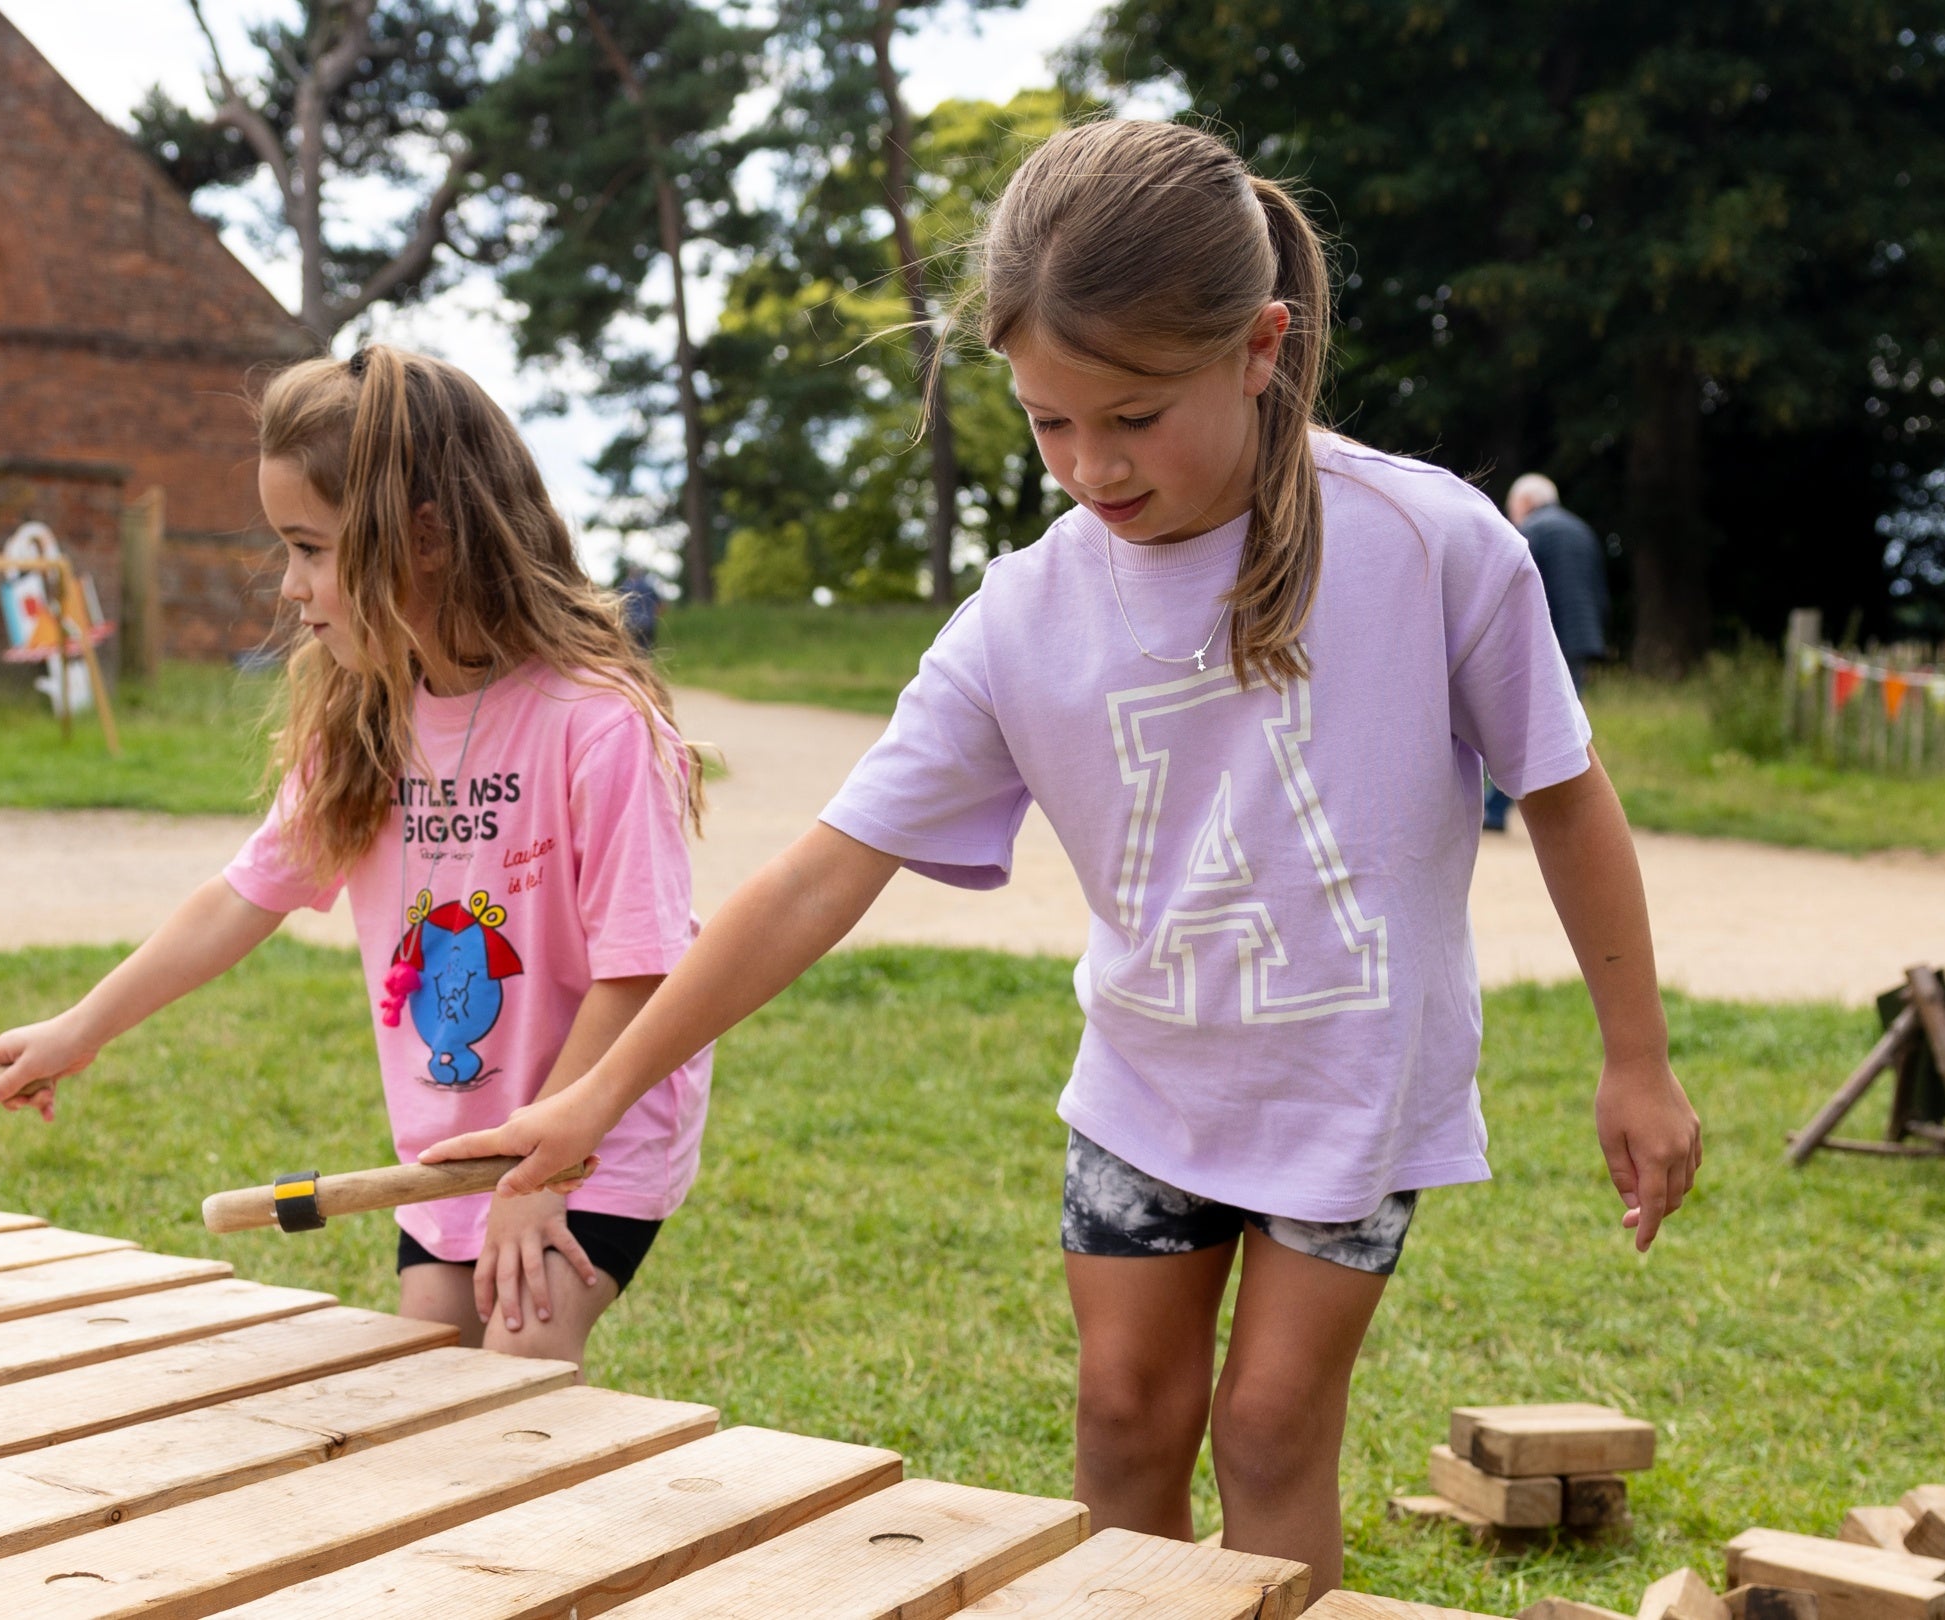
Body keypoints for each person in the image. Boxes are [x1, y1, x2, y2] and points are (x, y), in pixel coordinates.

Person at [423, 120, 1701, 1584]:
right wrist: (594, 1095)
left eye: (1136, 417)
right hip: (1145, 1084)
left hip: (1351, 1087)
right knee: (1119, 1421)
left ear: (1261, 345)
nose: (1092, 465)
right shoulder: (1022, 616)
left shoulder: (1430, 542)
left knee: (1275, 1429)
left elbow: (1566, 794)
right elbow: (821, 873)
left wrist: (1637, 1056)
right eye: (1049, 422)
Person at [0, 346, 711, 1368]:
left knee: (515, 1375)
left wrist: (542, 1174)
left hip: (597, 1123)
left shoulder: (597, 727)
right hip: (458, 1131)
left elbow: (643, 970)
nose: (290, 586)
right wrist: (79, 1029)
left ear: (426, 539)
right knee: (423, 1373)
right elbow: (244, 898)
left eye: (311, 548)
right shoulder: (366, 719)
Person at [1484, 472, 1609, 831]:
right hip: (1582, 638)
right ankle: (1570, 815)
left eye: (1512, 509)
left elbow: (1516, 590)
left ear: (1524, 503)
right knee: (1568, 731)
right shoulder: (1581, 531)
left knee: (1519, 727)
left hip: (1547, 639)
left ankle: (1494, 810)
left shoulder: (1532, 531)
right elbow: (1597, 591)